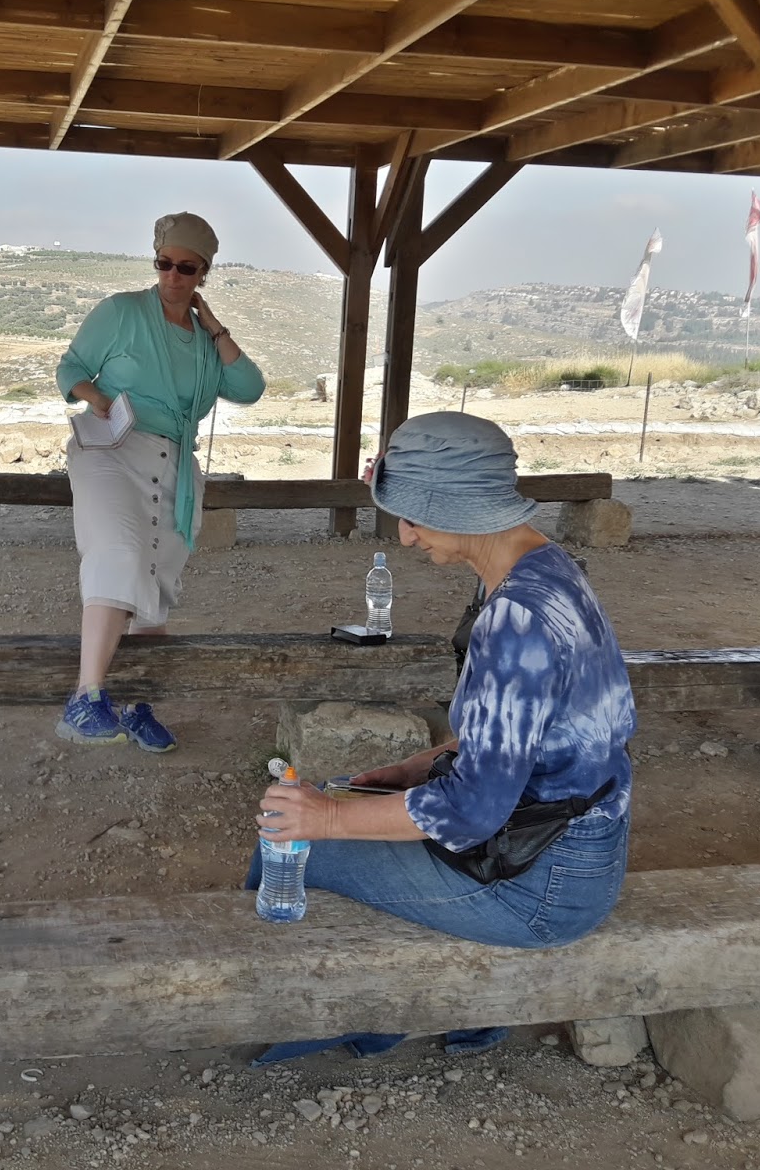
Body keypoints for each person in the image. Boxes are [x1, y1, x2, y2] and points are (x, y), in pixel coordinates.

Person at [247, 411, 636, 1062]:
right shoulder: (551, 570)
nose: (405, 538)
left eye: (412, 517)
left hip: (543, 883)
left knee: (293, 846)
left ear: (453, 507)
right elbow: (548, 731)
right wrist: (422, 763)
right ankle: (426, 1010)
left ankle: (302, 1016)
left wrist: (329, 817)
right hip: (577, 846)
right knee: (338, 822)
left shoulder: (515, 618)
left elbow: (470, 811)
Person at [54, 212, 266, 752]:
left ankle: (136, 703)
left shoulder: (203, 341)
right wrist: (96, 397)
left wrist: (214, 325)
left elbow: (248, 386)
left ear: (203, 273)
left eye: (186, 267)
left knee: (154, 587)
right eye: (163, 263)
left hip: (173, 461)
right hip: (112, 447)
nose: (172, 275)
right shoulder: (121, 312)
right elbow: (71, 367)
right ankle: (86, 697)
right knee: (119, 550)